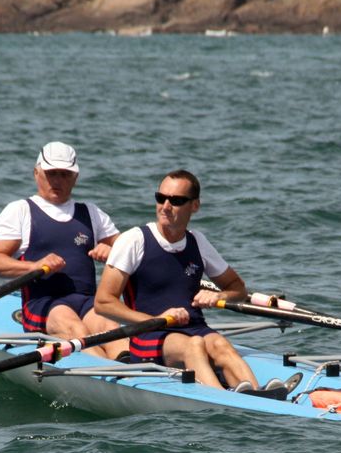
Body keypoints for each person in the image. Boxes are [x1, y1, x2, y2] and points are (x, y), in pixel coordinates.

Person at [95, 169, 288, 394]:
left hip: (194, 327)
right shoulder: (134, 240)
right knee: (195, 345)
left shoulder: (197, 242)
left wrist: (218, 296)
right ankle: (221, 398)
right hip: (149, 335)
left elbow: (238, 288)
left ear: (194, 206)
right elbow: (103, 303)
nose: (165, 206)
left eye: (176, 201)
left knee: (220, 343)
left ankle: (259, 395)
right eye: (161, 198)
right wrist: (155, 319)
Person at [0, 141, 126, 359]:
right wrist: (35, 266)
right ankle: (110, 380)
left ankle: (133, 372)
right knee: (76, 330)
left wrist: (112, 251)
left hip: (86, 301)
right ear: (36, 173)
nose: (58, 181)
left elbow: (130, 250)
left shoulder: (91, 213)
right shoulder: (20, 211)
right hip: (43, 304)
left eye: (65, 174)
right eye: (51, 174)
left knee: (112, 329)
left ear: (75, 178)